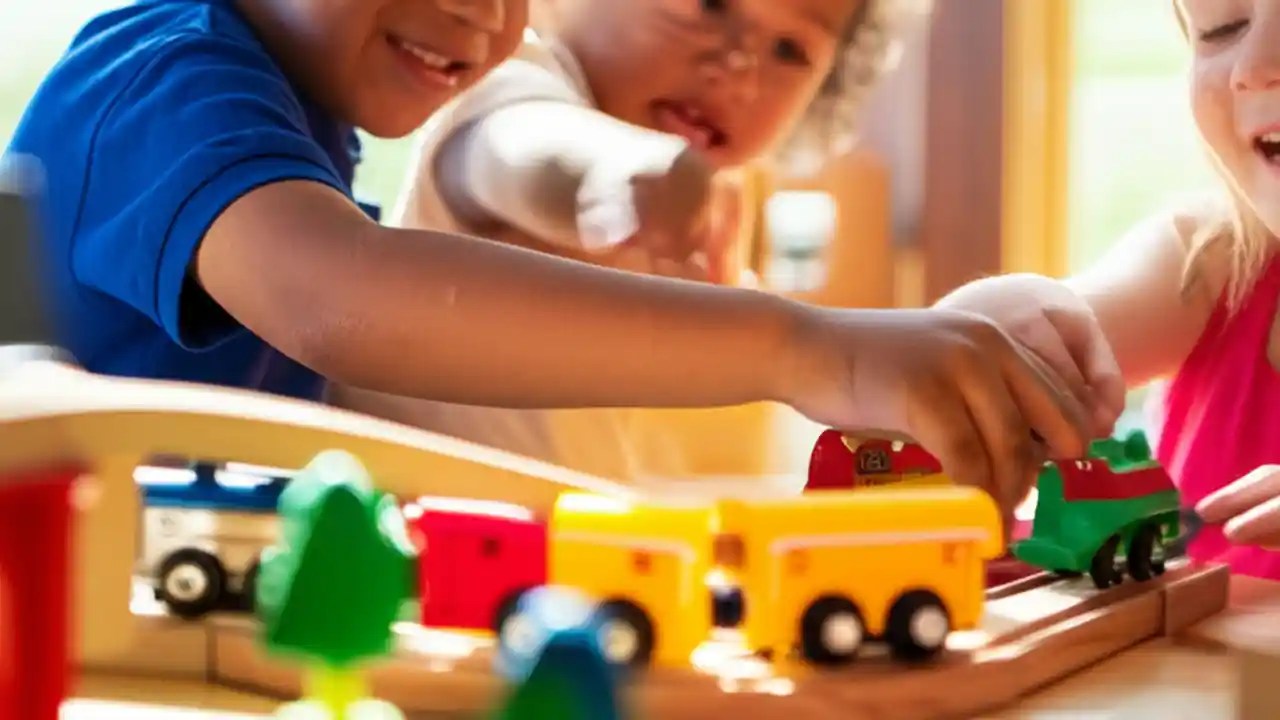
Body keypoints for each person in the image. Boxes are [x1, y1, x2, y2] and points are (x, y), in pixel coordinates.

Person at [2, 0, 1100, 520]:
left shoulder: (297, 122)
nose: (478, 13)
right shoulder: (164, 71)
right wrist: (801, 345)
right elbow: (336, 296)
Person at [330, 0, 945, 481]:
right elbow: (514, 149)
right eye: (710, 5)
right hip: (411, 549)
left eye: (790, 49)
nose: (738, 67)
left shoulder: (699, 224)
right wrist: (616, 173)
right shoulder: (509, 76)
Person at [934, 0, 1280, 576]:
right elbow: (1040, 330)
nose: (1256, 65)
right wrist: (986, 325)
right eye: (1222, 27)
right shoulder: (1210, 260)